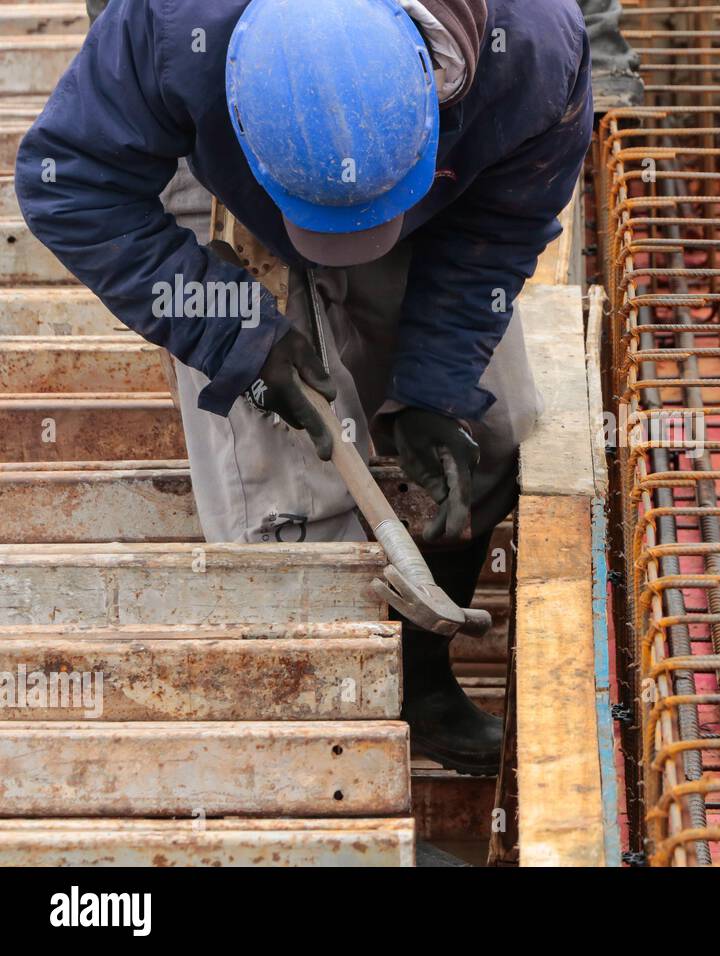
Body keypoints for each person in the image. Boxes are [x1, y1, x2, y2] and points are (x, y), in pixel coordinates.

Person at [18, 0, 593, 775]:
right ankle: (336, 756)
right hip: (197, 141)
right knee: (284, 492)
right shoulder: (170, 30)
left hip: (428, 178)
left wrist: (435, 389)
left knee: (492, 426)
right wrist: (236, 336)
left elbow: (501, 226)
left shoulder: (533, 53)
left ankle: (416, 682)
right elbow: (73, 183)